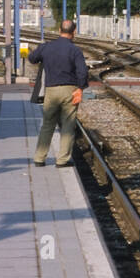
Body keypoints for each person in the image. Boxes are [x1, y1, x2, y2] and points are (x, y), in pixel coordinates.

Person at [28, 19, 88, 167]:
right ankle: (62, 160)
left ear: (59, 30)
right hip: (70, 90)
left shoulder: (47, 47)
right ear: (74, 32)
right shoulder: (75, 50)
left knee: (47, 124)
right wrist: (80, 88)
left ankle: (39, 158)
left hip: (51, 90)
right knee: (68, 124)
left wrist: (39, 50)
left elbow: (32, 58)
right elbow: (82, 72)